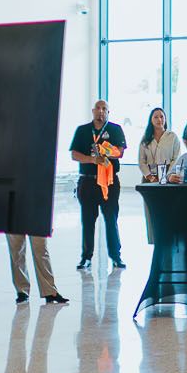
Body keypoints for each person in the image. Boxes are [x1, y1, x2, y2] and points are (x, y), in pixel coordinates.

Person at [69, 100, 126, 272]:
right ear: (93, 111)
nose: (101, 112)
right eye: (98, 109)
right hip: (88, 181)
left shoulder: (115, 129)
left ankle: (116, 257)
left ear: (109, 112)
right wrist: (92, 159)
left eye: (104, 109)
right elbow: (74, 154)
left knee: (111, 219)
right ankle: (86, 257)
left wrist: (105, 151)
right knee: (88, 220)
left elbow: (120, 152)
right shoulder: (82, 130)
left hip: (109, 182)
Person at [6, 232, 67, 305]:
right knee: (16, 253)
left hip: (36, 220)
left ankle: (49, 291)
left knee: (41, 250)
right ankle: (22, 291)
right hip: (14, 221)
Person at [135, 107, 182, 182]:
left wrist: (168, 175)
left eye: (161, 117)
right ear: (151, 120)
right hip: (149, 178)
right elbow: (141, 161)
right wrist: (150, 177)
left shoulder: (172, 137)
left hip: (168, 177)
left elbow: (176, 158)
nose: (159, 120)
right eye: (156, 117)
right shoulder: (146, 138)